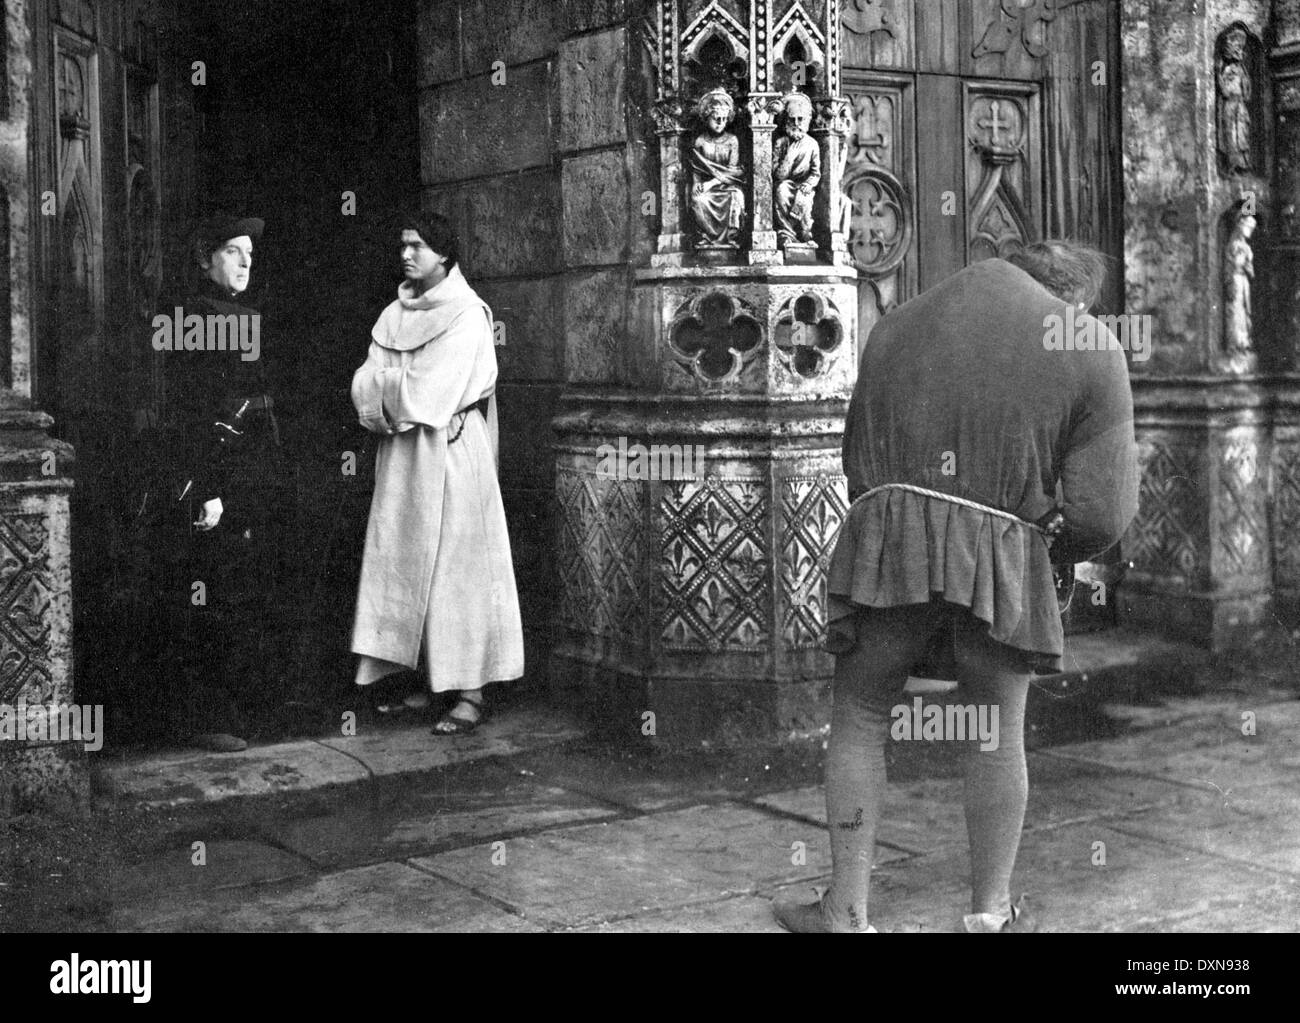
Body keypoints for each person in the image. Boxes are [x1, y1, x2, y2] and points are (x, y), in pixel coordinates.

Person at [774, 241, 1140, 933]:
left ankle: (845, 911)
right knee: (995, 731)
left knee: (859, 714)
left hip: (890, 532)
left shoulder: (899, 321)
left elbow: (856, 460)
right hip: (999, 554)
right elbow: (1102, 514)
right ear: (1074, 300)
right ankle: (989, 916)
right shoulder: (1089, 344)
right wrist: (1042, 552)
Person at [350, 212, 524, 734]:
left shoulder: (468, 315)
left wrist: (391, 384)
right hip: (404, 456)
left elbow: (433, 391)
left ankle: (470, 692)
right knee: (407, 563)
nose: (406, 254)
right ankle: (430, 681)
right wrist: (396, 386)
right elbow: (362, 385)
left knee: (456, 571)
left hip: (451, 456)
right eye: (403, 244)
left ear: (444, 255)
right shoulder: (392, 314)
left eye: (418, 246)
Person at [144, 212, 283, 754]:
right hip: (212, 475)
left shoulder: (237, 313)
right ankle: (204, 715)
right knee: (208, 592)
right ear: (205, 258)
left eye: (250, 251)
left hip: (249, 473)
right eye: (233, 250)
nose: (247, 260)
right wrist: (206, 487)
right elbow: (191, 410)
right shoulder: (194, 316)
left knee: (240, 588)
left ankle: (241, 707)